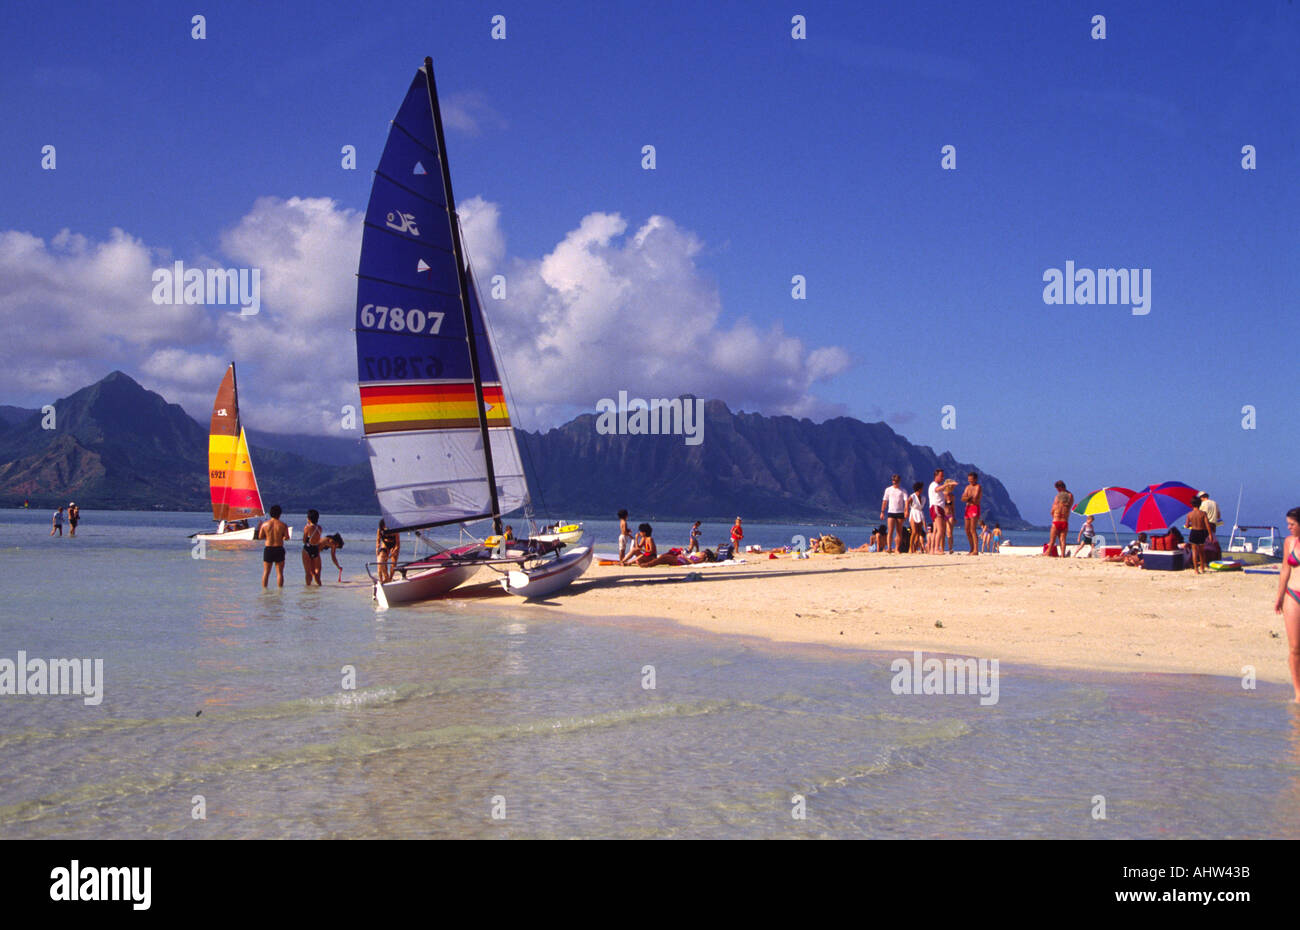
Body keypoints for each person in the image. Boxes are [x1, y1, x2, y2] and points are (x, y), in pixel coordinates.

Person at [1274, 508, 1300, 702]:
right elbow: (1285, 569)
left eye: (1292, 524)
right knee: (1295, 648)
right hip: (1293, 595)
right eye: (1288, 523)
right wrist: (1280, 596)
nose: (1288, 527)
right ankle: (1298, 692)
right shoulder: (1289, 542)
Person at [256, 505, 289, 588]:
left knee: (266, 572)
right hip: (279, 548)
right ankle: (280, 592)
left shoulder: (264, 525)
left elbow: (260, 537)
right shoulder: (283, 525)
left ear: (270, 514)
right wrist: (281, 537)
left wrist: (268, 536)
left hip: (268, 549)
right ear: (280, 514)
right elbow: (287, 538)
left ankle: (264, 591)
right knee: (280, 573)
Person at [881, 475, 909, 554]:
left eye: (896, 480)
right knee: (890, 531)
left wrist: (906, 511)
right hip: (891, 512)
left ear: (899, 481)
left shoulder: (903, 490)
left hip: (900, 512)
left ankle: (897, 548)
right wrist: (882, 511)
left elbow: (906, 501)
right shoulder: (888, 490)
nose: (894, 482)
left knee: (899, 532)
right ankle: (889, 548)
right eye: (893, 480)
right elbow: (885, 501)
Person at [1048, 481, 1074, 557]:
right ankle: (1062, 555)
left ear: (1060, 487)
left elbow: (1053, 509)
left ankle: (1048, 553)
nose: (1057, 491)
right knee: (1062, 539)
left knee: (1052, 540)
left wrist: (1053, 515)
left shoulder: (1057, 497)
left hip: (1056, 520)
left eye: (1057, 489)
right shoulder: (1070, 495)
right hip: (1064, 521)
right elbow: (1069, 507)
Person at [961, 472, 982, 556]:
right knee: (967, 529)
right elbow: (963, 498)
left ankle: (976, 550)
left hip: (974, 508)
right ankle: (971, 548)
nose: (970, 481)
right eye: (969, 480)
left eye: (971, 480)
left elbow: (975, 498)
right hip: (968, 508)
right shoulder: (967, 487)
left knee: (972, 529)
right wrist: (968, 498)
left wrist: (967, 498)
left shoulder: (978, 487)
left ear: (975, 479)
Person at [1184, 505, 1210, 574]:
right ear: (1200, 505)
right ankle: (1202, 568)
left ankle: (1196, 570)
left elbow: (1186, 525)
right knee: (1201, 552)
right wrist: (1210, 534)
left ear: (1192, 505)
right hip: (1201, 532)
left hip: (1193, 532)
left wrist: (1191, 525)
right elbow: (1207, 524)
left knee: (1194, 552)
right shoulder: (1203, 513)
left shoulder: (1189, 514)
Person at [927, 469, 947, 554]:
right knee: (940, 529)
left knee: (935, 530)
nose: (942, 478)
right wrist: (947, 484)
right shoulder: (934, 484)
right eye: (941, 476)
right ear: (936, 476)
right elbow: (937, 489)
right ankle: (936, 548)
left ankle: (932, 549)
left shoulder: (937, 485)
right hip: (936, 507)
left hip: (938, 508)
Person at [302, 509, 324, 585]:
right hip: (315, 548)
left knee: (308, 572)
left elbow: (304, 540)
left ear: (309, 518)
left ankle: (308, 589)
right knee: (316, 571)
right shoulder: (320, 528)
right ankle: (319, 586)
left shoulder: (307, 527)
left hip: (308, 548)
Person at [375, 519, 400, 584]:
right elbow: (378, 540)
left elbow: (397, 545)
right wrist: (377, 548)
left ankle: (390, 578)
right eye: (384, 528)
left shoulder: (395, 531)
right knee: (383, 559)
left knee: (393, 562)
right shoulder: (379, 530)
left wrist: (393, 552)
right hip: (385, 544)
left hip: (394, 545)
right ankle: (386, 577)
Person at [907, 482, 927, 553]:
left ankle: (915, 548)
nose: (923, 489)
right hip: (913, 512)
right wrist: (906, 511)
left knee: (918, 532)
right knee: (914, 531)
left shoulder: (923, 498)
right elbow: (907, 502)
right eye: (922, 488)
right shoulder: (913, 496)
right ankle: (910, 547)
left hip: (920, 513)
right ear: (919, 489)